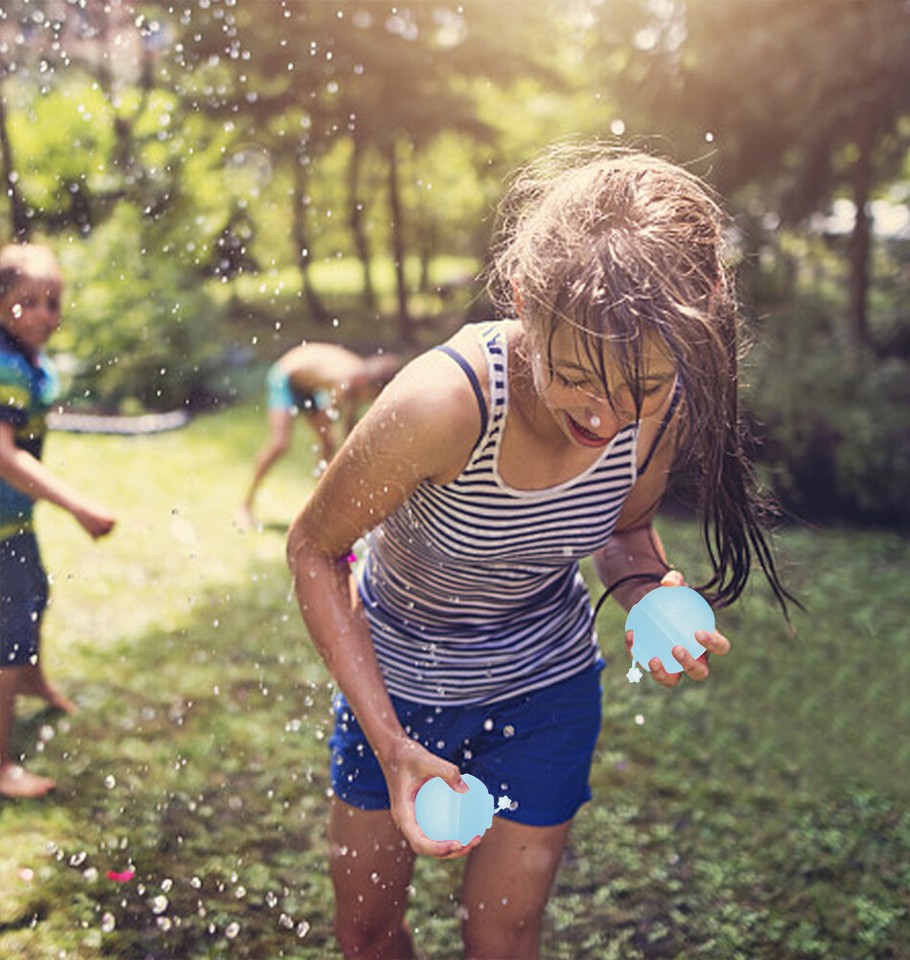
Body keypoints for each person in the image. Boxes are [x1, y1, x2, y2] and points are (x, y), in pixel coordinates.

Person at [286, 144, 794, 959]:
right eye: (577, 377)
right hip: (398, 688)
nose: (609, 415)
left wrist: (652, 592)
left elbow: (623, 532)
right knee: (369, 932)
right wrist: (389, 742)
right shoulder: (440, 405)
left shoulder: (663, 409)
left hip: (542, 691)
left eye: (645, 386)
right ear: (525, 303)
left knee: (506, 932)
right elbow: (315, 549)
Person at [0, 243, 116, 799]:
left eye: (53, 301)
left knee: (35, 596)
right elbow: (4, 454)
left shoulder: (22, 358)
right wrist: (79, 506)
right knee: (5, 638)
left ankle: (32, 680)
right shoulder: (7, 368)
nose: (45, 313)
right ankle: (0, 766)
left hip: (11, 521)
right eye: (28, 302)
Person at [238, 342, 400, 529]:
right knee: (279, 444)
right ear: (366, 385)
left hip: (309, 386)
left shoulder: (360, 379)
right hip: (286, 377)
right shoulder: (347, 380)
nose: (370, 402)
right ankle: (245, 506)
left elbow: (349, 428)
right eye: (372, 397)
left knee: (328, 444)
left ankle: (318, 508)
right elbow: (332, 416)